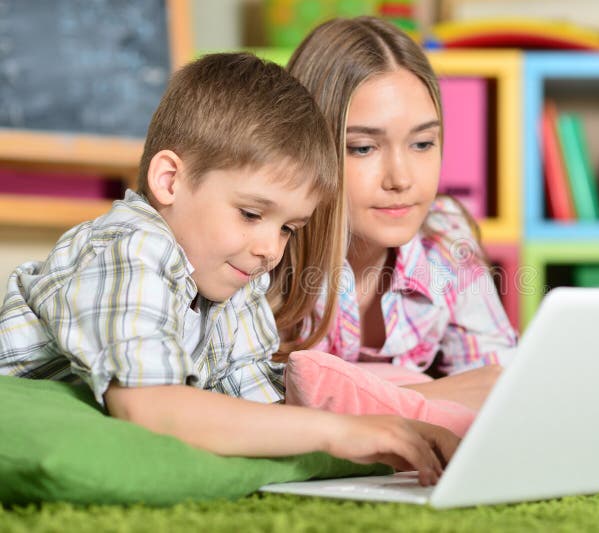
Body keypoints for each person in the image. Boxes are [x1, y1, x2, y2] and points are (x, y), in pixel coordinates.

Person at [0, 52, 457, 486]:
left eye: (289, 229)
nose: (270, 250)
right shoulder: (128, 247)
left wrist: (390, 431)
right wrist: (338, 433)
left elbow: (263, 410)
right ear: (170, 180)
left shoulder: (234, 281)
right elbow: (150, 407)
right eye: (251, 214)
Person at [287, 18, 518, 410]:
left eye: (423, 143)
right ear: (305, 150)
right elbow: (251, 408)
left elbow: (498, 379)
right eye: (363, 148)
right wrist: (423, 397)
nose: (401, 179)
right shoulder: (265, 250)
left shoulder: (443, 236)